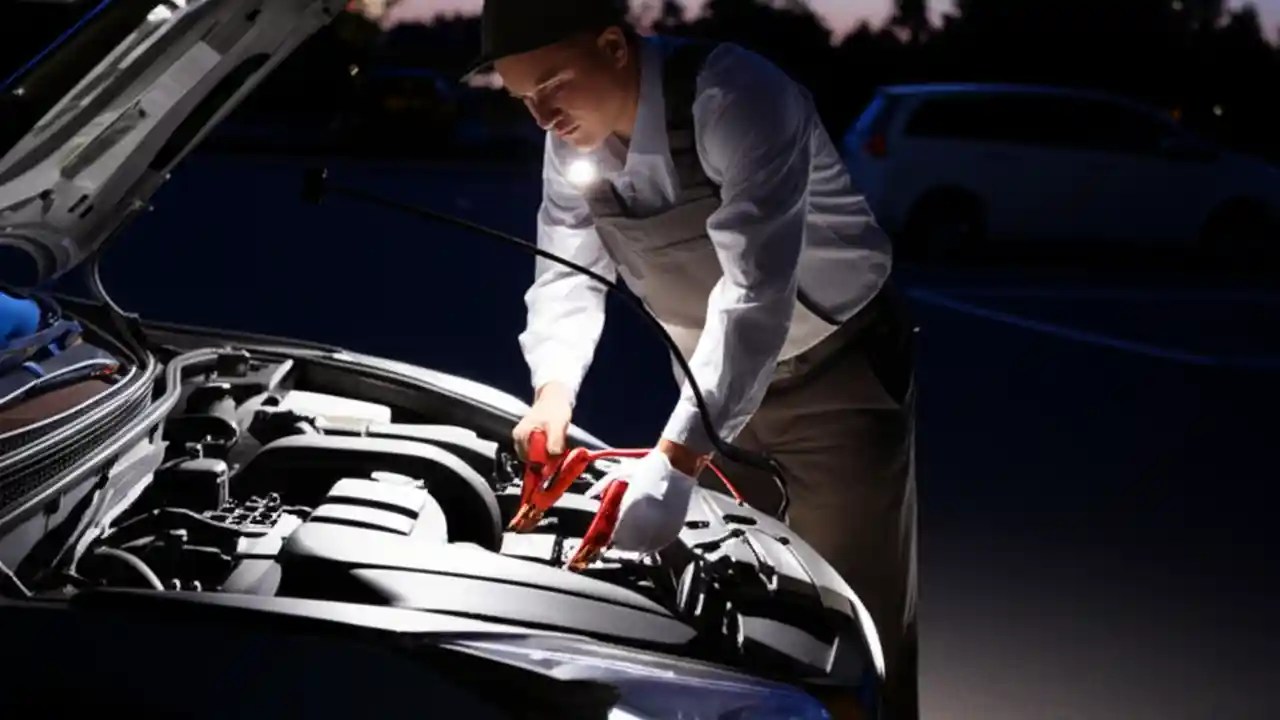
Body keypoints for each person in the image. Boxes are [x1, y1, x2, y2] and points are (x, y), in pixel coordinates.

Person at [466, 1, 919, 717]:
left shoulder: (739, 100)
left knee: (851, 627)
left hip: (836, 373)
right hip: (710, 393)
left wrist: (676, 459)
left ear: (614, 44)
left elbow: (754, 293)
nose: (542, 117)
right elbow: (567, 274)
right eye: (524, 99)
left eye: (552, 85)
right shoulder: (571, 143)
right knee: (738, 611)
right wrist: (552, 397)